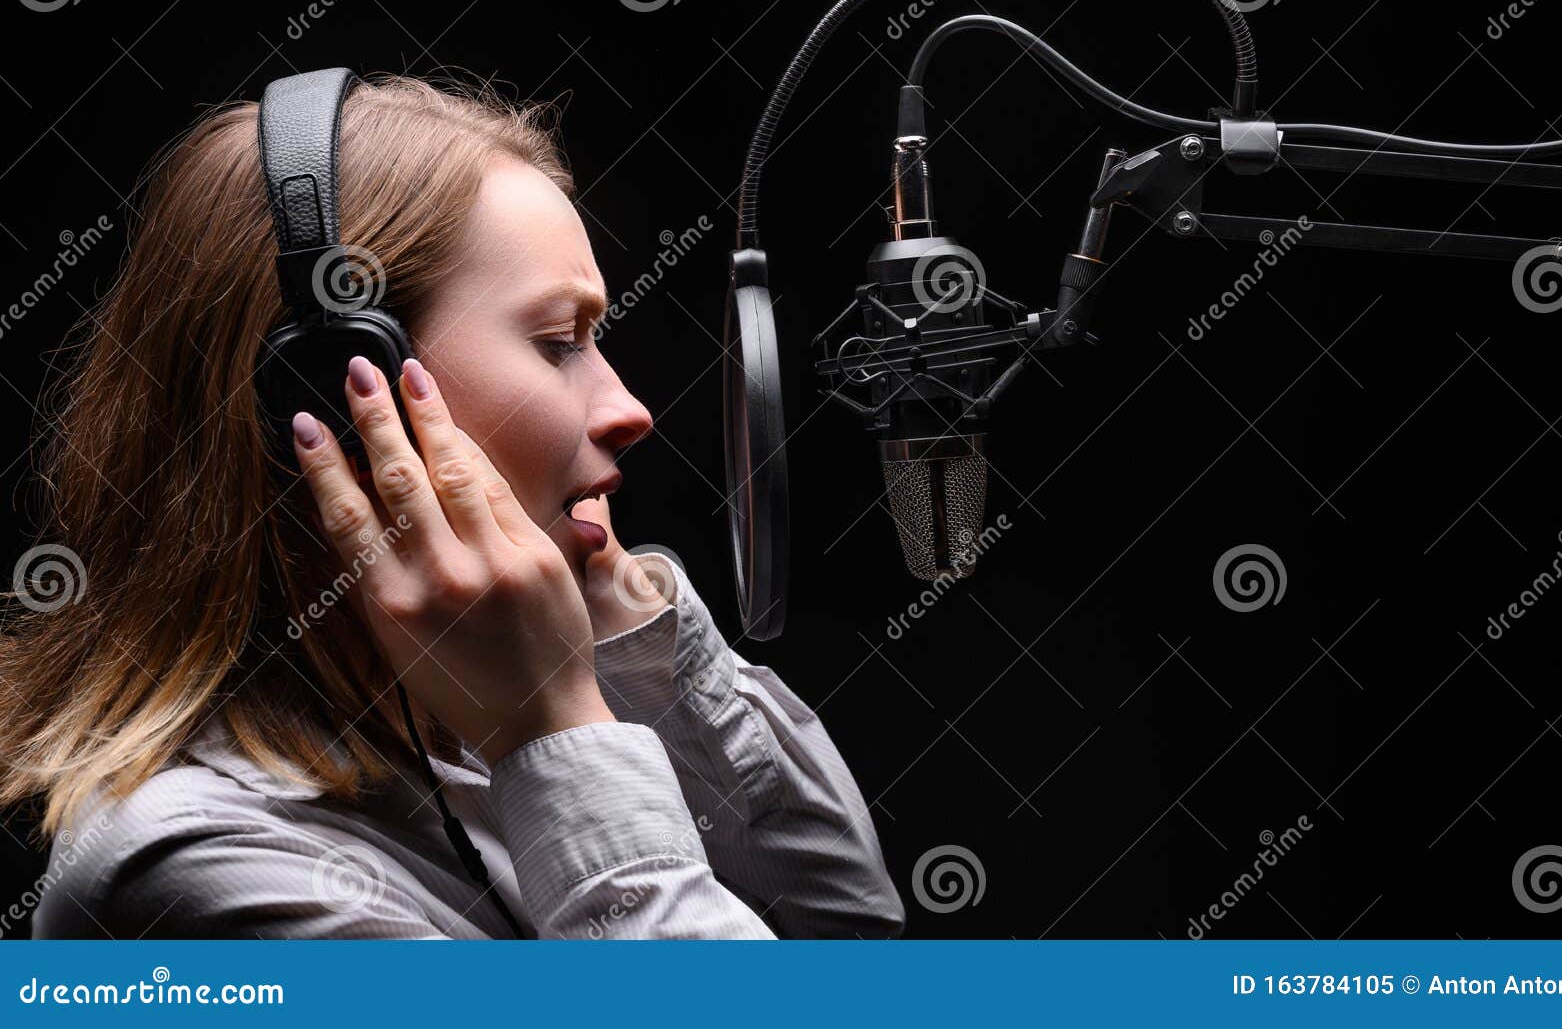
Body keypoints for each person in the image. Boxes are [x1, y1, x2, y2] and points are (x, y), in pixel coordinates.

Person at [0, 73, 904, 938]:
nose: (630, 408)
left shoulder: (477, 727)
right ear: (334, 398)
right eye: (559, 342)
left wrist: (624, 632)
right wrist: (555, 732)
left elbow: (852, 951)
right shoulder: (188, 868)